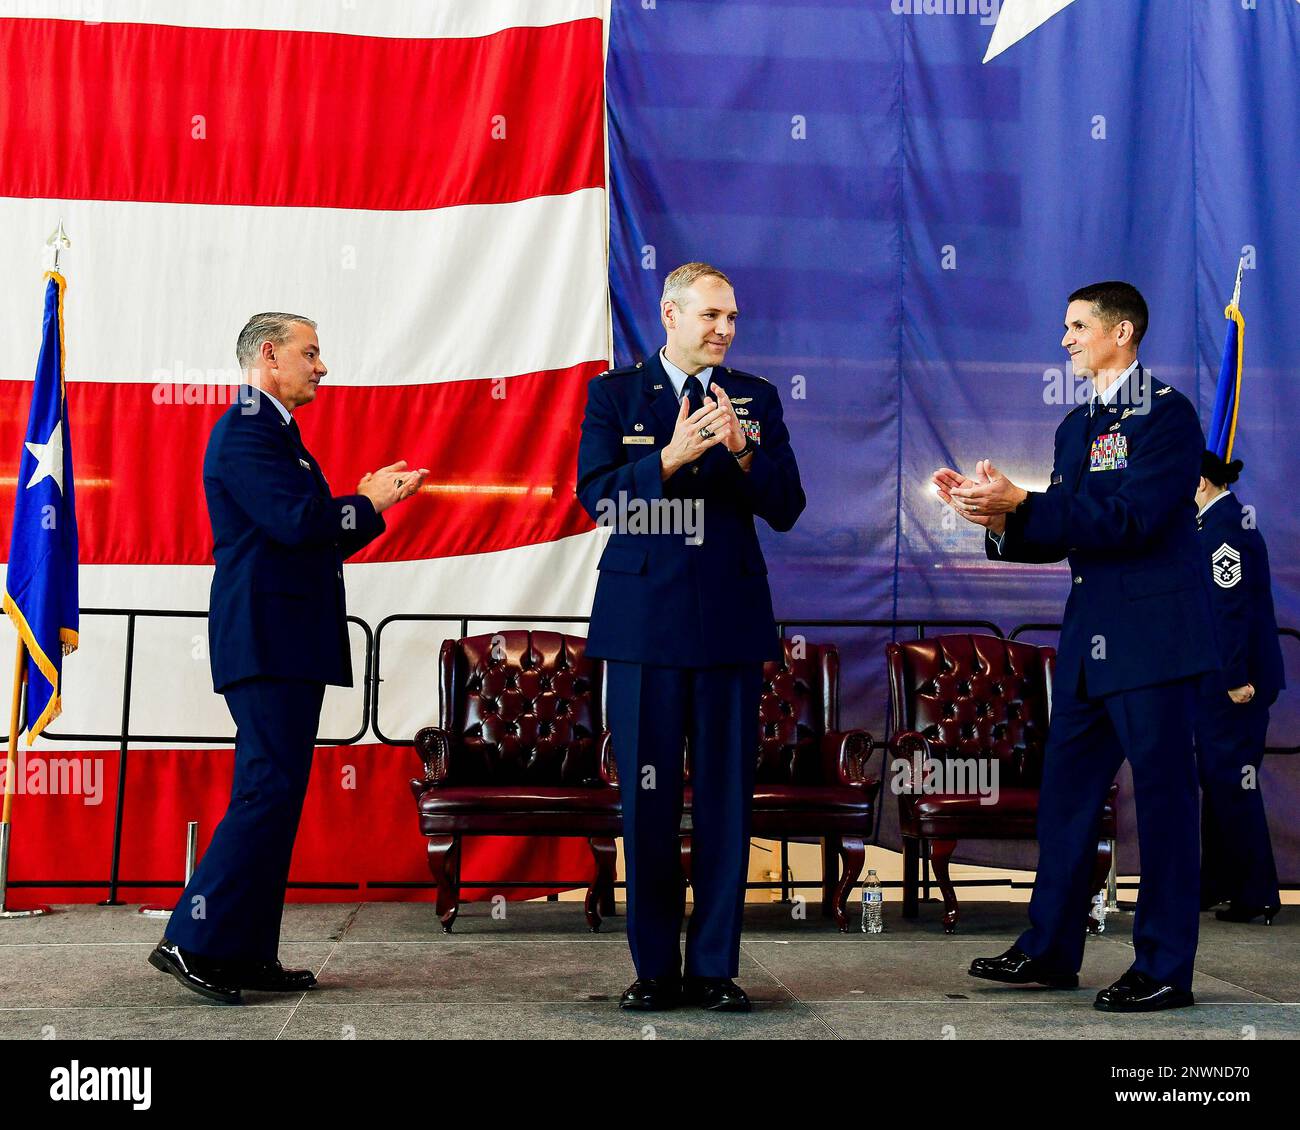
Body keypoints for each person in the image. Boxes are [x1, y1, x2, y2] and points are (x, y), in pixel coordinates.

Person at [934, 281, 1216, 1012]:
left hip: (1153, 642)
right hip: (1088, 644)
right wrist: (994, 518)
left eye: (1078, 326)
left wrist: (1026, 500)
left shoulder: (1169, 416)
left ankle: (1162, 968)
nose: (1065, 339)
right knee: (1065, 802)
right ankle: (1049, 951)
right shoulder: (1074, 426)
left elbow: (1134, 520)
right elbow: (1064, 529)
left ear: (1122, 333)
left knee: (1162, 807)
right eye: (1065, 326)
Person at [149, 313, 426, 1003]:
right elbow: (300, 525)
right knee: (267, 793)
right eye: (311, 353)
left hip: (285, 642)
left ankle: (243, 951)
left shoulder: (275, 435)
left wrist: (359, 503)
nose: (322, 367)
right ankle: (193, 938)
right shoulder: (246, 430)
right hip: (267, 641)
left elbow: (308, 535)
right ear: (268, 356)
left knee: (276, 797)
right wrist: (367, 500)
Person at [577, 262, 805, 1012]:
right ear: (669, 315)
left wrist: (742, 447)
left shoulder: (756, 398)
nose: (725, 329)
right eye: (711, 315)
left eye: (733, 317)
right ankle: (653, 970)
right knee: (645, 805)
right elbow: (599, 500)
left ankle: (713, 967)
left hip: (730, 628)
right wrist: (671, 456)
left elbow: (787, 506)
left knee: (724, 804)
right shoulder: (615, 394)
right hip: (644, 630)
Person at [1194, 451, 1285, 924]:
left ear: (1203, 482)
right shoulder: (1217, 524)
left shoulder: (1226, 528)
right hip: (1219, 679)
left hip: (1234, 683)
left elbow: (1229, 610)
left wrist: (1233, 679)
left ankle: (1256, 894)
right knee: (1220, 781)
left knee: (1234, 782)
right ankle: (1218, 884)